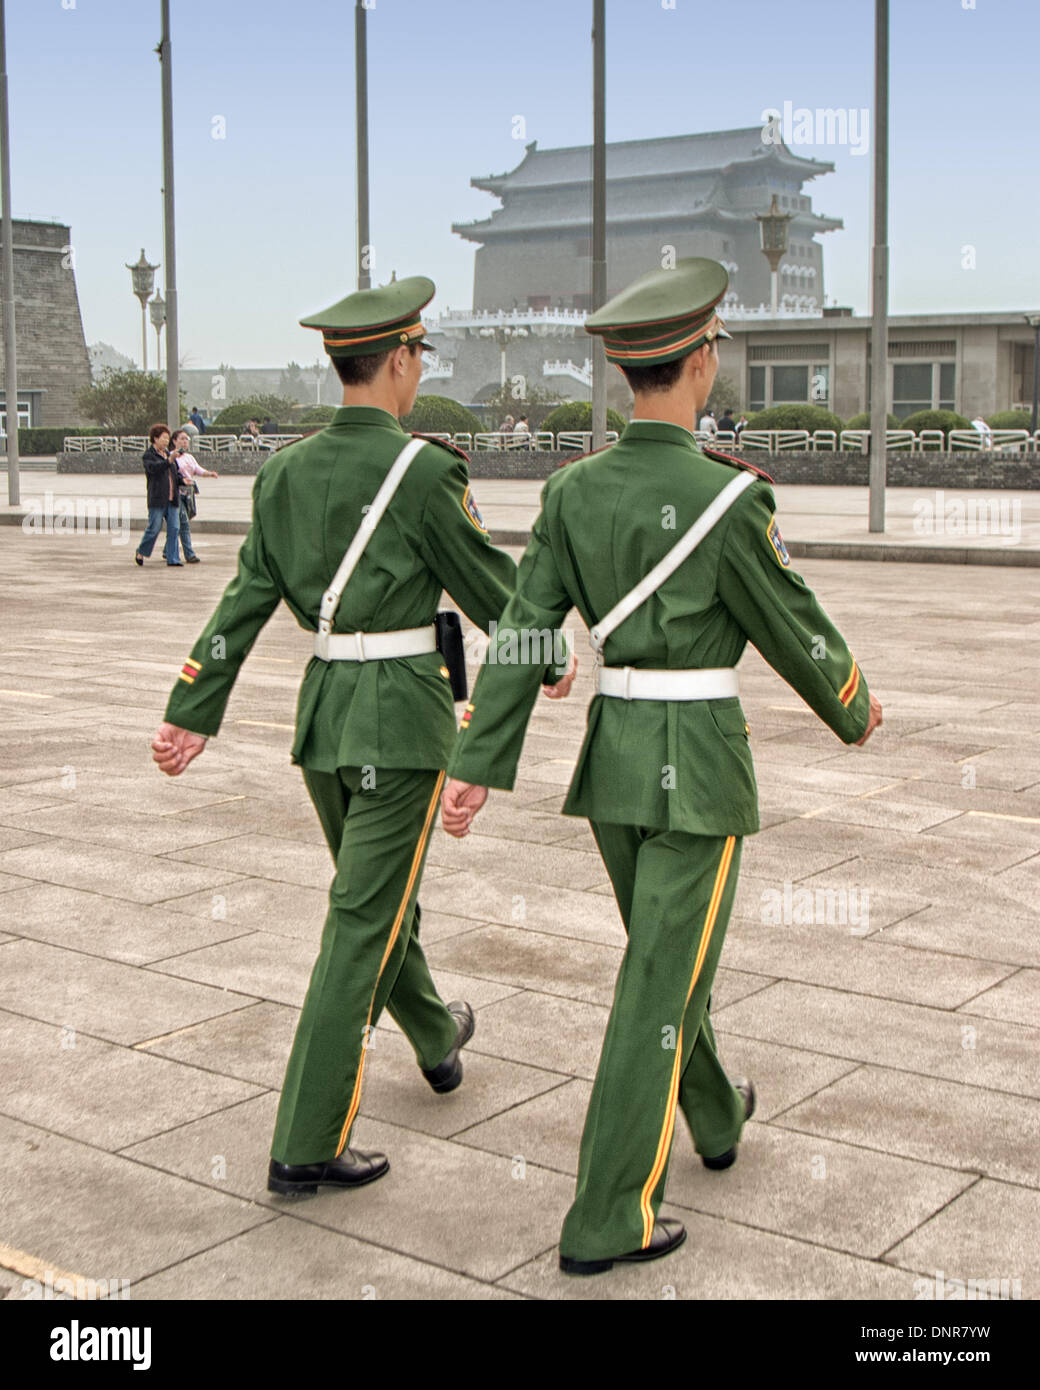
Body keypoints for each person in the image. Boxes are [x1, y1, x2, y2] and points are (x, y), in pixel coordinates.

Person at [441, 257, 882, 1277]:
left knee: (662, 955)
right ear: (699, 364)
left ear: (627, 373)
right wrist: (852, 707)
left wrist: (478, 758)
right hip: (697, 767)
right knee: (655, 980)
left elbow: (519, 629)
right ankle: (607, 1214)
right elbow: (791, 626)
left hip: (614, 767)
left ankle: (716, 1110)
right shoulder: (728, 501)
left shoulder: (569, 491)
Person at [150, 275, 576, 1199]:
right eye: (419, 356)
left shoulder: (285, 472)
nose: (420, 371)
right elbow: (490, 586)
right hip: (404, 723)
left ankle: (433, 1035)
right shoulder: (424, 472)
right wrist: (547, 654)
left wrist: (192, 708)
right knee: (361, 923)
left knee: (371, 900)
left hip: (323, 725)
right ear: (396, 360)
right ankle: (306, 1138)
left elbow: (244, 601)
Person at [134, 422, 182, 567]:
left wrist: (183, 480)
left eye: (168, 439)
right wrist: (169, 461)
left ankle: (173, 559)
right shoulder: (149, 456)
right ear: (155, 439)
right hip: (157, 498)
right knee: (154, 528)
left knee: (174, 528)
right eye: (163, 438)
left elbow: (175, 474)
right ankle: (141, 551)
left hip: (172, 498)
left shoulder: (168, 454)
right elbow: (154, 469)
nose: (166, 441)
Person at [170, 427, 218, 564]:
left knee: (178, 523)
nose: (185, 442)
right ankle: (189, 554)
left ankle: (167, 550)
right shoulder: (172, 457)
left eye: (186, 439)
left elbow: (197, 470)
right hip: (176, 494)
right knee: (183, 522)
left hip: (188, 494)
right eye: (182, 439)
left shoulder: (189, 457)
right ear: (174, 441)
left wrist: (209, 474)